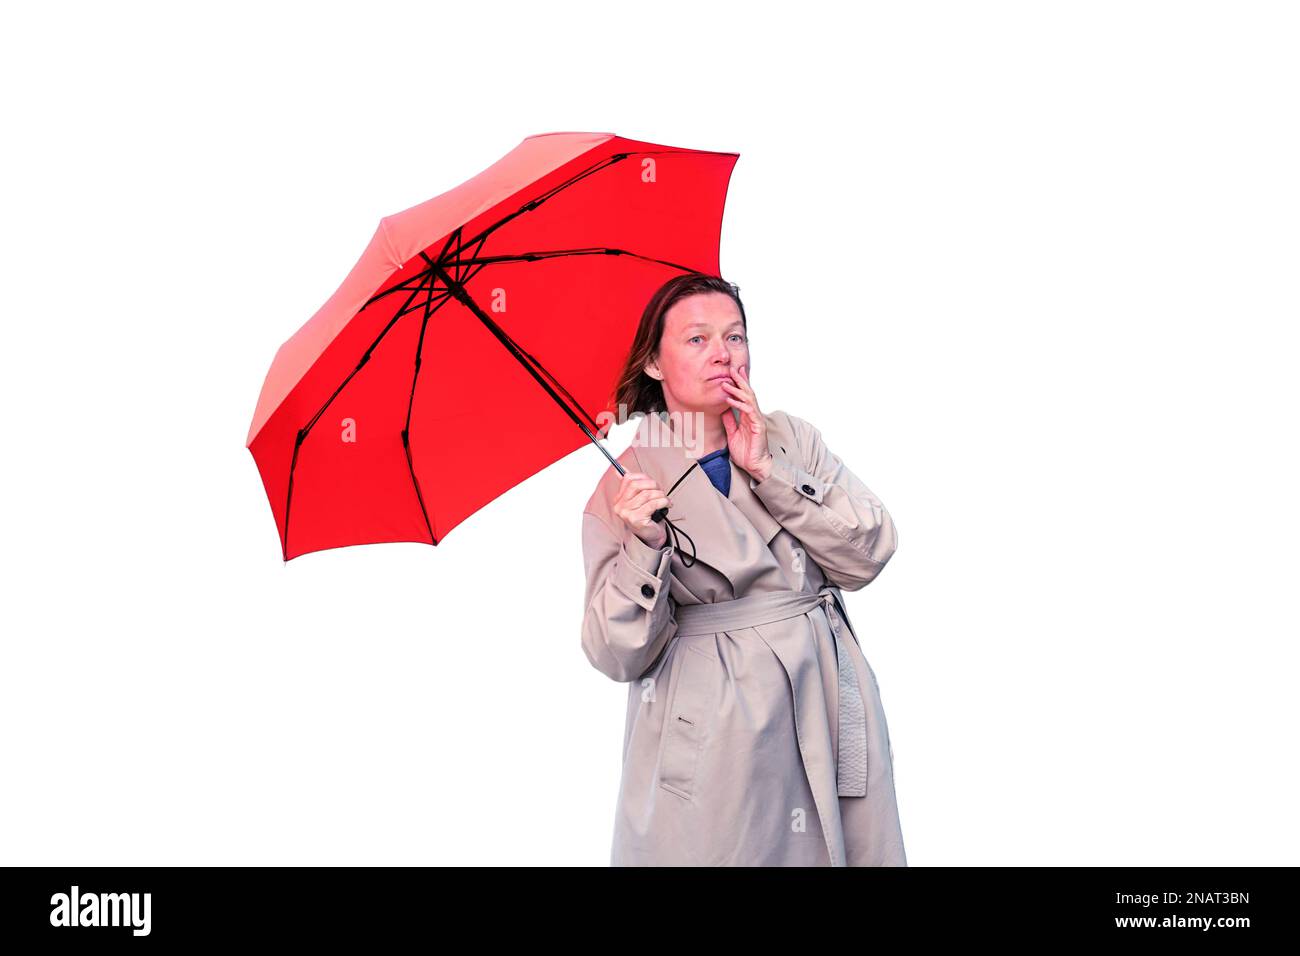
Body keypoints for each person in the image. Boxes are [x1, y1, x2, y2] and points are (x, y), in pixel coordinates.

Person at [579, 272, 907, 866]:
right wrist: (645, 546)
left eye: (735, 336)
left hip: (822, 688)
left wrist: (769, 472)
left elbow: (869, 552)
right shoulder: (624, 486)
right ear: (653, 362)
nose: (724, 354)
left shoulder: (791, 440)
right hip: (713, 724)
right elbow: (614, 652)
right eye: (698, 340)